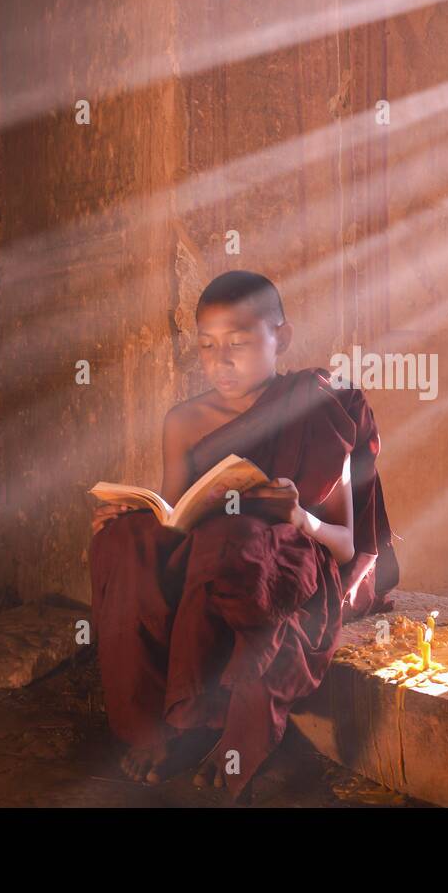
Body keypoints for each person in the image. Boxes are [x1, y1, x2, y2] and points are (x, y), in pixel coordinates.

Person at [88, 270, 398, 796]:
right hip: (210, 553)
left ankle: (235, 736)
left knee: (235, 542)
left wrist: (302, 517)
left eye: (238, 344)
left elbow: (345, 542)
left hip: (284, 555)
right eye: (206, 347)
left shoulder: (312, 405)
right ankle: (158, 727)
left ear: (284, 338)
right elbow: (176, 517)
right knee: (124, 542)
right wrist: (133, 517)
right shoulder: (184, 420)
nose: (220, 361)